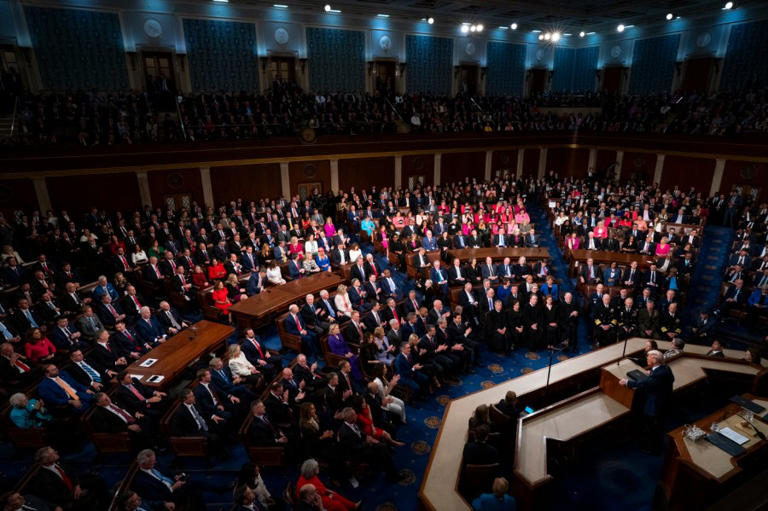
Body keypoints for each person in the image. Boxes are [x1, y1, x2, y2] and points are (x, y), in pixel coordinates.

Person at [619, 350, 674, 453]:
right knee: (655, 426)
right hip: (663, 402)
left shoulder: (659, 374)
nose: (646, 359)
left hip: (656, 405)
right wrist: (652, 373)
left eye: (648, 357)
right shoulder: (665, 368)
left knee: (654, 428)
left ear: (655, 360)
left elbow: (647, 383)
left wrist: (627, 382)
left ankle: (652, 449)